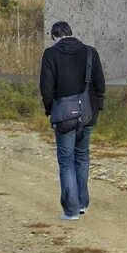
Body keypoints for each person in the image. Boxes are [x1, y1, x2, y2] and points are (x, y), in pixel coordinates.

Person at [38, 22, 105, 221]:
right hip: (88, 114)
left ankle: (71, 210)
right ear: (71, 34)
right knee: (82, 157)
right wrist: (97, 108)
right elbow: (100, 84)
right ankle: (83, 203)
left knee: (66, 161)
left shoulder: (50, 54)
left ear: (54, 37)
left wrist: (51, 110)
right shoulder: (90, 52)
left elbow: (46, 89)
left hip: (64, 116)